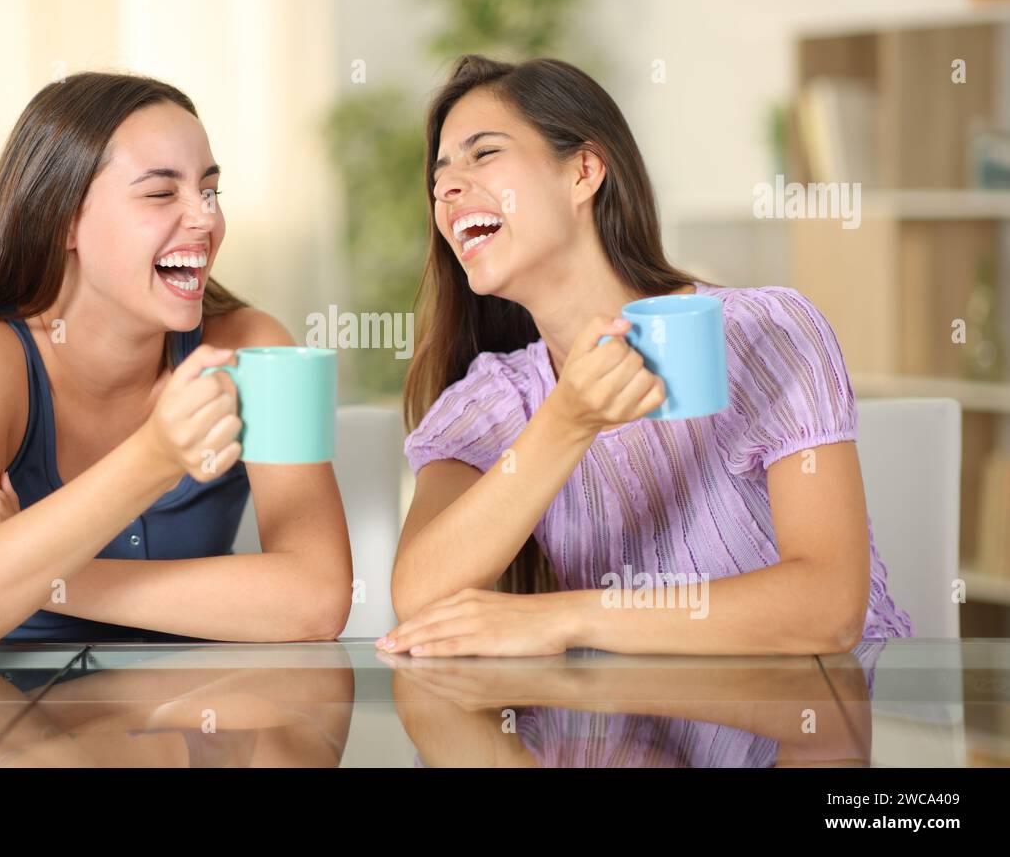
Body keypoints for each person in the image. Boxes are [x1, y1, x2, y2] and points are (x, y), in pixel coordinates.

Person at [383, 54, 913, 657]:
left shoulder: (767, 334)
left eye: (483, 154)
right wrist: (567, 421)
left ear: (583, 171)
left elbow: (828, 608)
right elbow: (421, 598)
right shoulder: (491, 403)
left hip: (828, 718)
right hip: (639, 733)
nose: (448, 187)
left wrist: (566, 620)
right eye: (439, 177)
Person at [0, 72, 352, 660]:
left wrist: (32, 566)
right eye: (161, 193)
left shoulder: (254, 348)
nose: (204, 219)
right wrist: (154, 457)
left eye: (210, 190)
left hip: (198, 719)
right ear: (63, 221)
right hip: (21, 724)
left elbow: (317, 599)